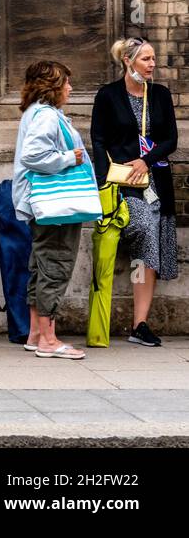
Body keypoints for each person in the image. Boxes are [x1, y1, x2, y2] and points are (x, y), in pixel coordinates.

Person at [91, 38, 179, 347]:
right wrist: (105, 181)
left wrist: (146, 160)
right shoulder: (108, 95)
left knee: (150, 246)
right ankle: (135, 322)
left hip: (156, 181)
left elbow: (171, 140)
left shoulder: (160, 95)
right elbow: (98, 140)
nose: (152, 64)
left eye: (153, 58)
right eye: (146, 59)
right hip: (124, 184)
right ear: (129, 62)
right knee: (142, 228)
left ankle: (139, 323)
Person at [12, 60, 90, 360]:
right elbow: (34, 156)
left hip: (40, 203)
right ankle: (48, 339)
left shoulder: (37, 114)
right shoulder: (46, 116)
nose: (70, 89)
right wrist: (70, 157)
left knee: (41, 265)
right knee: (55, 265)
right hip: (54, 204)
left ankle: (35, 334)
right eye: (66, 83)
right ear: (51, 88)